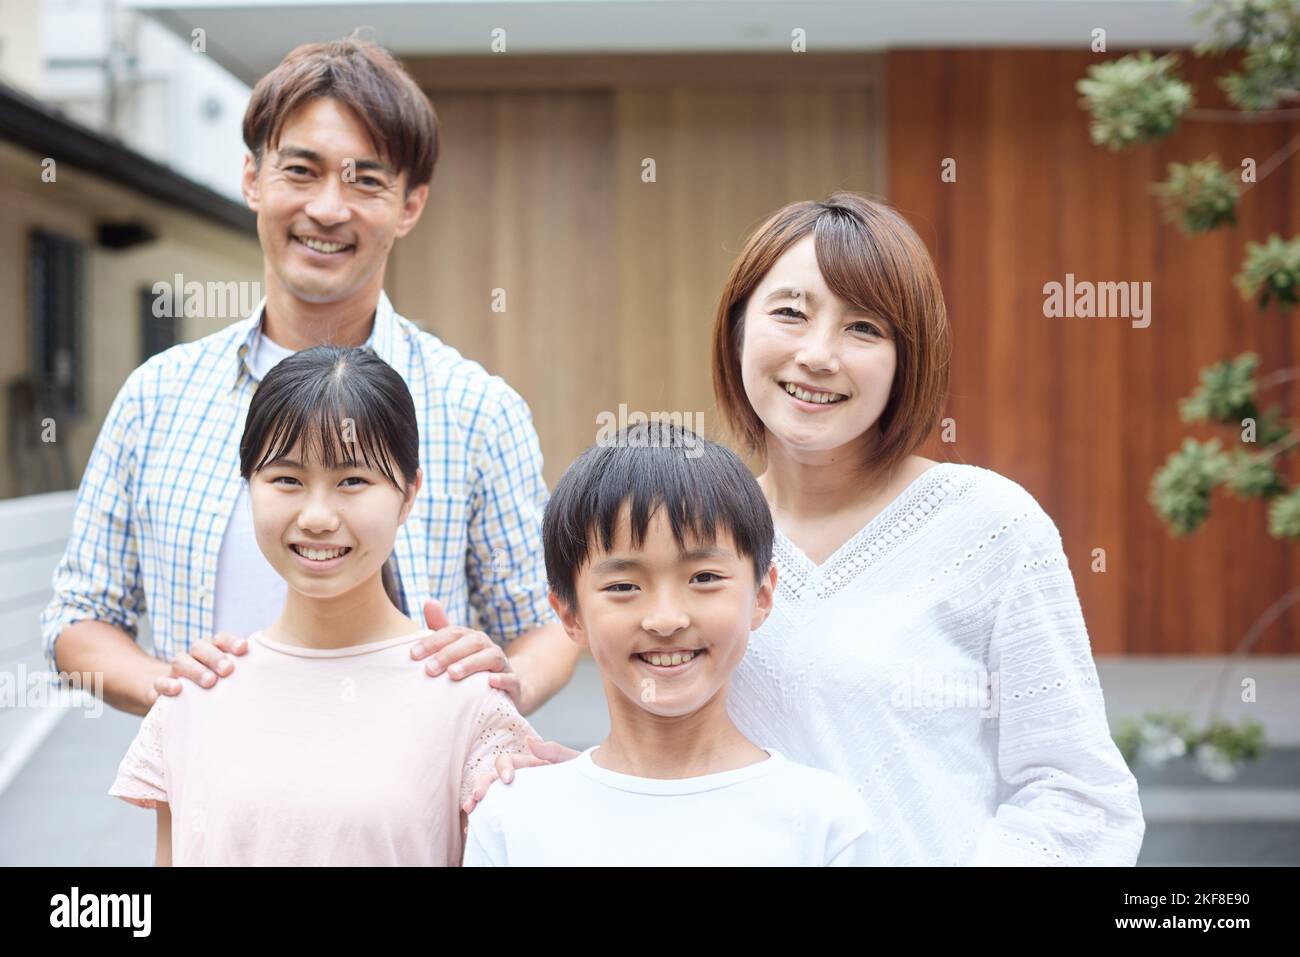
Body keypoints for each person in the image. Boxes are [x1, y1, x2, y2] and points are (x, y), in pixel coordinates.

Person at [465, 193, 1146, 866]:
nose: (819, 354)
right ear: (738, 329)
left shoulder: (990, 526)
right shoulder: (706, 538)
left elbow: (1079, 796)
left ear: (908, 357)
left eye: (864, 328)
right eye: (790, 313)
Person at [41, 35, 577, 720]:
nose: (328, 208)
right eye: (301, 170)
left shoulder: (477, 408)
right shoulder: (157, 396)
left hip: (414, 819)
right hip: (210, 815)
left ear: (410, 205)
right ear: (252, 179)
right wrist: (168, 689)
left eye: (366, 179)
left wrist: (509, 680)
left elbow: (547, 620)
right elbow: (79, 617)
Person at [108, 346, 536, 866]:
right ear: (248, 487)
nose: (316, 516)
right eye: (286, 479)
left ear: (408, 494)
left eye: (352, 481)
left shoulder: (468, 702)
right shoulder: (193, 698)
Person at [462, 424, 877, 866]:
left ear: (761, 596)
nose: (665, 620)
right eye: (623, 585)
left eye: (704, 578)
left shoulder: (825, 820)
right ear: (569, 614)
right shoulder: (516, 816)